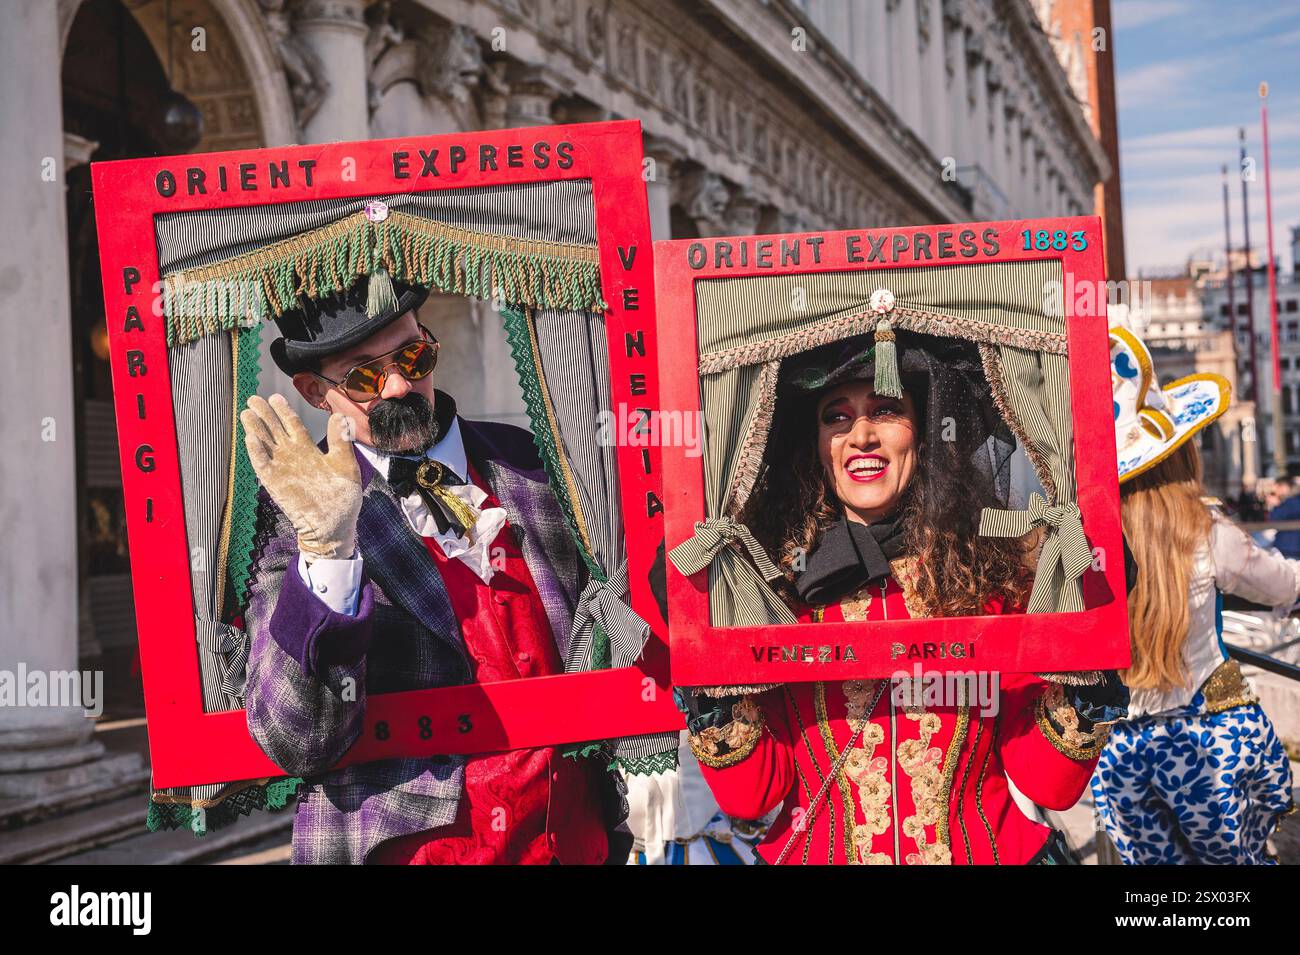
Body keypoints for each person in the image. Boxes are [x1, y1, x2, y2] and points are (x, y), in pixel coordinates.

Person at [678, 331, 1126, 865]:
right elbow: (751, 794)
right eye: (836, 417)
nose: (861, 434)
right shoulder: (770, 589)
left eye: (886, 411)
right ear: (817, 446)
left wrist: (1089, 659)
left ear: (924, 434)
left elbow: (1047, 783)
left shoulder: (990, 578)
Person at [239, 273, 623, 864]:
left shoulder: (532, 463)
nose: (398, 386)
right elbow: (297, 739)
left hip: (574, 843)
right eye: (365, 375)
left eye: (412, 356)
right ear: (316, 393)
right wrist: (327, 548)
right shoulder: (291, 514)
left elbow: (613, 618)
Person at [1092, 327, 1297, 864]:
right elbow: (1282, 585)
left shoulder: (1083, 545)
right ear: (1179, 457)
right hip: (1214, 741)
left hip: (1121, 753)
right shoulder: (1207, 534)